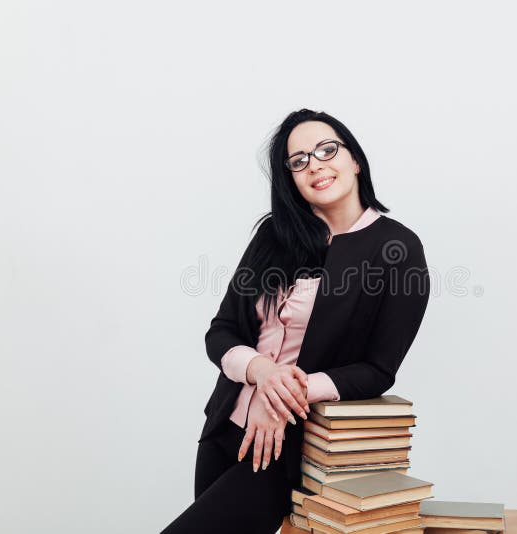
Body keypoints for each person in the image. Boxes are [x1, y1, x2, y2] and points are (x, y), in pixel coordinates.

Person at [161, 108, 430, 533]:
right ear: (290, 177)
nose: (315, 165)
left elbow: (378, 370)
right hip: (224, 428)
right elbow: (222, 331)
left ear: (354, 159)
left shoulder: (397, 248)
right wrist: (263, 372)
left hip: (289, 445)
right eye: (299, 160)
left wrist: (286, 395)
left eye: (327, 149)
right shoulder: (274, 236)